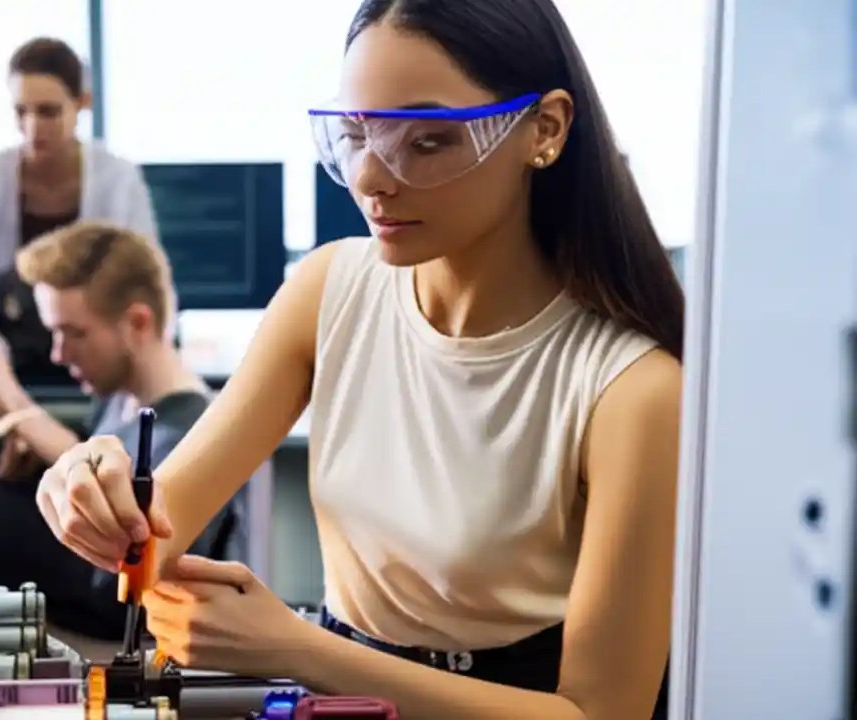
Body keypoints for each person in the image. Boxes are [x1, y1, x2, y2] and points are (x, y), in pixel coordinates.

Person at [34, 0, 684, 717]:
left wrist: (298, 649)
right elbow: (158, 531)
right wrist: (94, 490)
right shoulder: (328, 290)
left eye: (426, 141)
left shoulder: (632, 390)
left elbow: (601, 712)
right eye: (354, 135)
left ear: (546, 129)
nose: (372, 177)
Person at [0, 220, 254, 639]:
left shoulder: (189, 438)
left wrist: (67, 451)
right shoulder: (117, 402)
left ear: (138, 323)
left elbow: (120, 599)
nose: (58, 353)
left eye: (73, 333)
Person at [0, 37, 158, 422]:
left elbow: (148, 284)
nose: (31, 128)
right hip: (10, 362)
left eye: (48, 112)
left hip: (101, 367)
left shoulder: (119, 178)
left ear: (82, 104)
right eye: (20, 112)